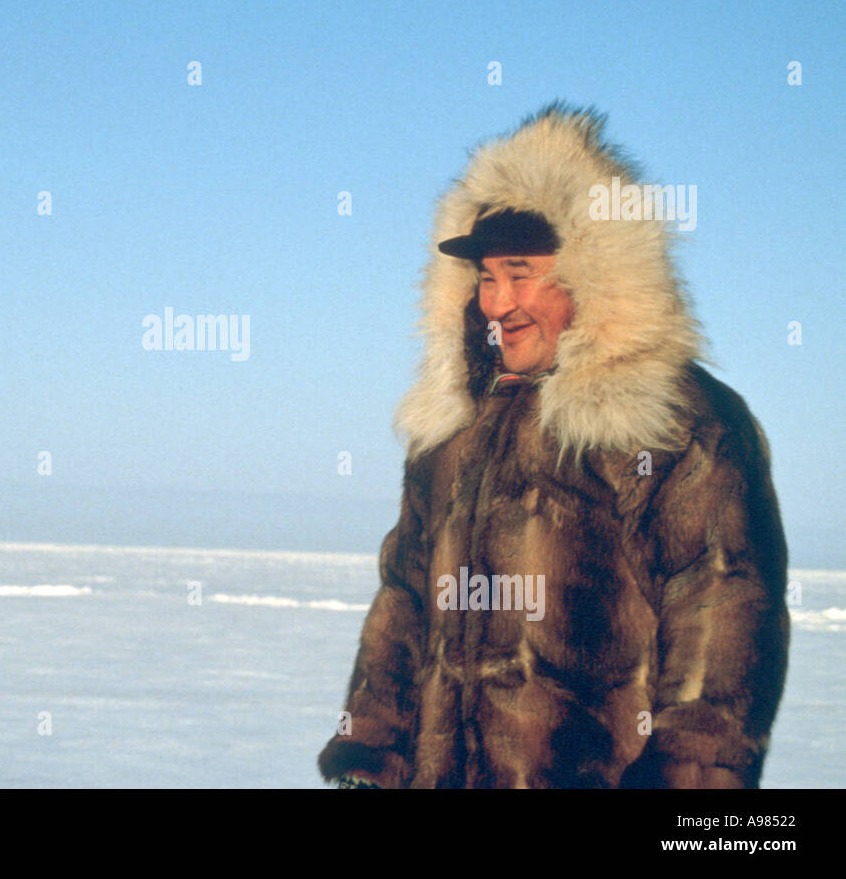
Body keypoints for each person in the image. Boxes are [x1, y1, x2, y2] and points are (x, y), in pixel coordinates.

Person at [318, 103, 790, 789]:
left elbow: (721, 618)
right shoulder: (456, 433)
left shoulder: (675, 421)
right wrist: (368, 761)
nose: (499, 302)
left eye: (521, 271)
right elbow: (403, 605)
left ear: (593, 275)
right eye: (485, 276)